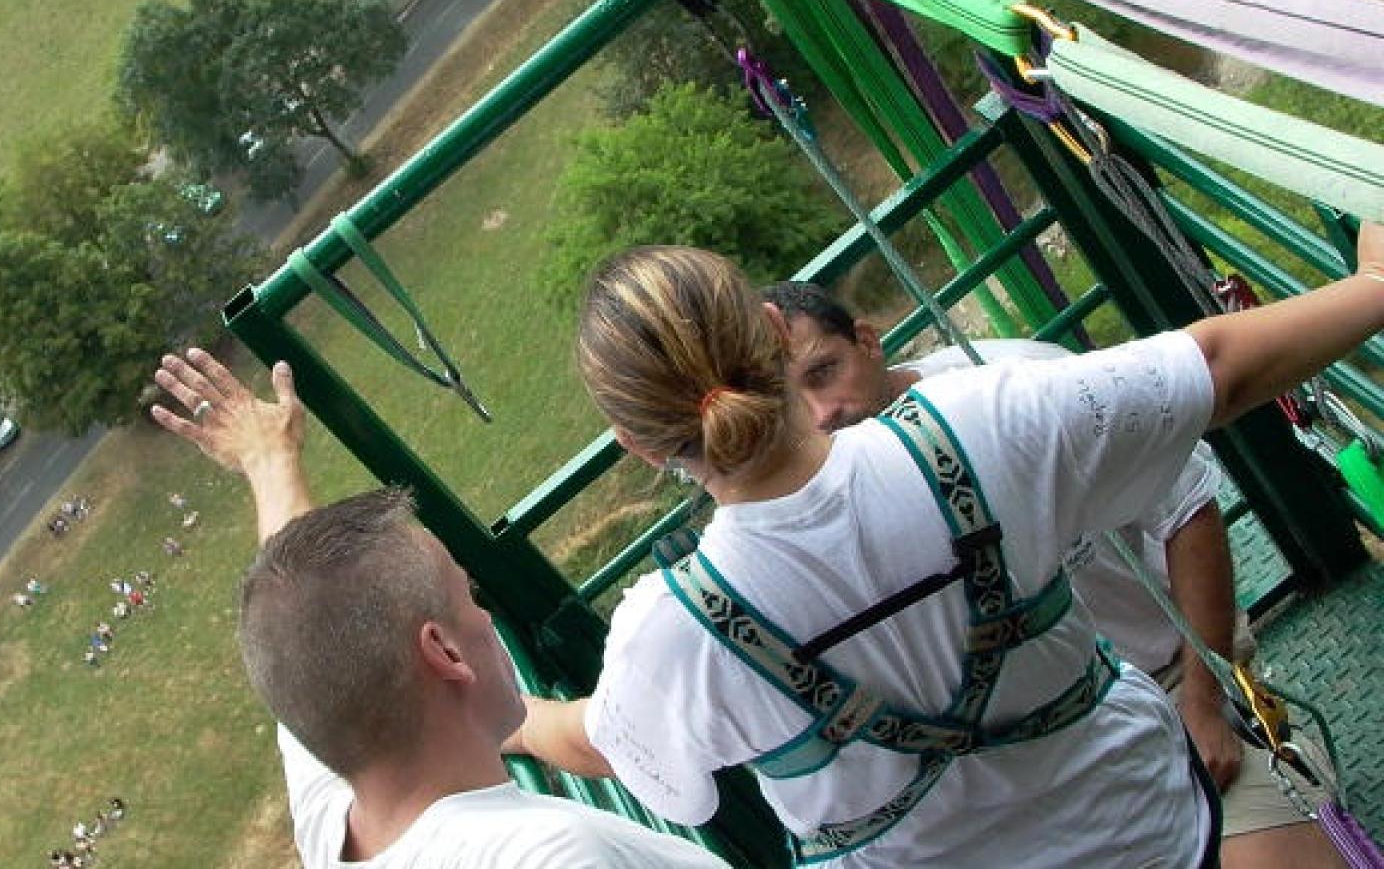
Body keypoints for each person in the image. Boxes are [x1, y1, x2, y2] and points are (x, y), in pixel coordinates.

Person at [507, 239, 1384, 868]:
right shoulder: (976, 425)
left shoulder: (672, 633)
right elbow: (1219, 369)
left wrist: (510, 717)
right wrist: (1376, 285)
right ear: (774, 330)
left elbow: (594, 739)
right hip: (1159, 836)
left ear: (639, 445)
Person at [759, 281, 1345, 869]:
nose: (821, 413)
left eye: (824, 372)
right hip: (1024, 762)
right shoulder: (822, 509)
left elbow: (1186, 509)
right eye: (789, 401)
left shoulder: (1011, 388)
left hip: (1170, 675)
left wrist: (1204, 703)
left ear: (867, 341)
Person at [151, 349, 731, 867]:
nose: (486, 616)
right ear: (445, 652)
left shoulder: (332, 822)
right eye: (468, 598)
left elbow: (308, 616)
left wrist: (269, 460)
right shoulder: (550, 855)